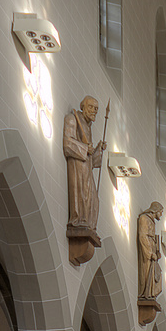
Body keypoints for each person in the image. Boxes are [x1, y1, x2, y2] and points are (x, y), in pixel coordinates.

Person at [63, 96, 107, 233]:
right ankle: (79, 221)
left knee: (94, 201)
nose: (94, 111)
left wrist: (98, 149)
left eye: (96, 109)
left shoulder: (88, 127)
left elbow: (91, 160)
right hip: (78, 166)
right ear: (83, 107)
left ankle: (90, 225)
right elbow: (67, 144)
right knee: (83, 195)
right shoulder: (72, 119)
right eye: (91, 107)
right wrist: (84, 148)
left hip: (86, 167)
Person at [137, 202, 165, 301]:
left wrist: (157, 251)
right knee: (147, 273)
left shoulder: (152, 221)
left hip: (152, 251)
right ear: (155, 210)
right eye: (160, 212)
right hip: (147, 252)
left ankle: (150, 293)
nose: (161, 214)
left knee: (156, 274)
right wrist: (150, 253)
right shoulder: (144, 218)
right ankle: (146, 293)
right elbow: (143, 236)